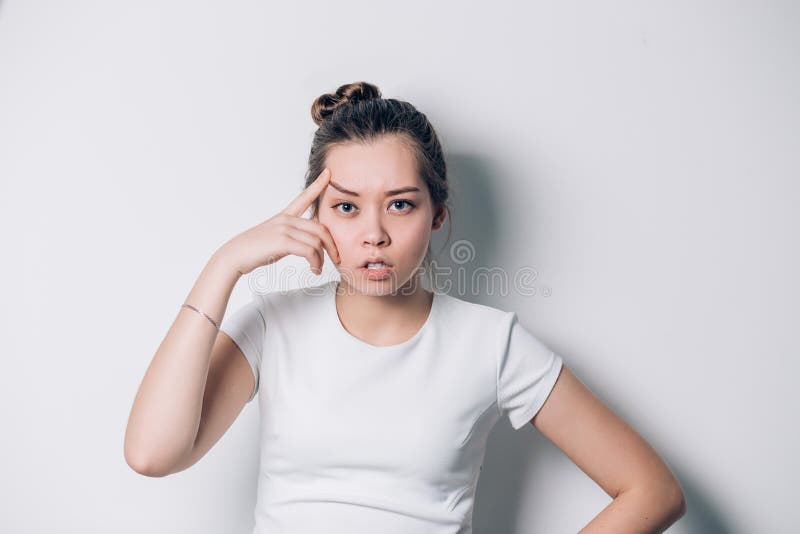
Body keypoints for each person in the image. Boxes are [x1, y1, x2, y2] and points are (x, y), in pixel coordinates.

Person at [124, 81, 687, 533]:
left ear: (437, 214)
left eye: (399, 204)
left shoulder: (492, 344)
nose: (374, 233)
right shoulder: (273, 325)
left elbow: (652, 491)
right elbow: (152, 454)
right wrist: (222, 266)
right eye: (346, 206)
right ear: (314, 215)